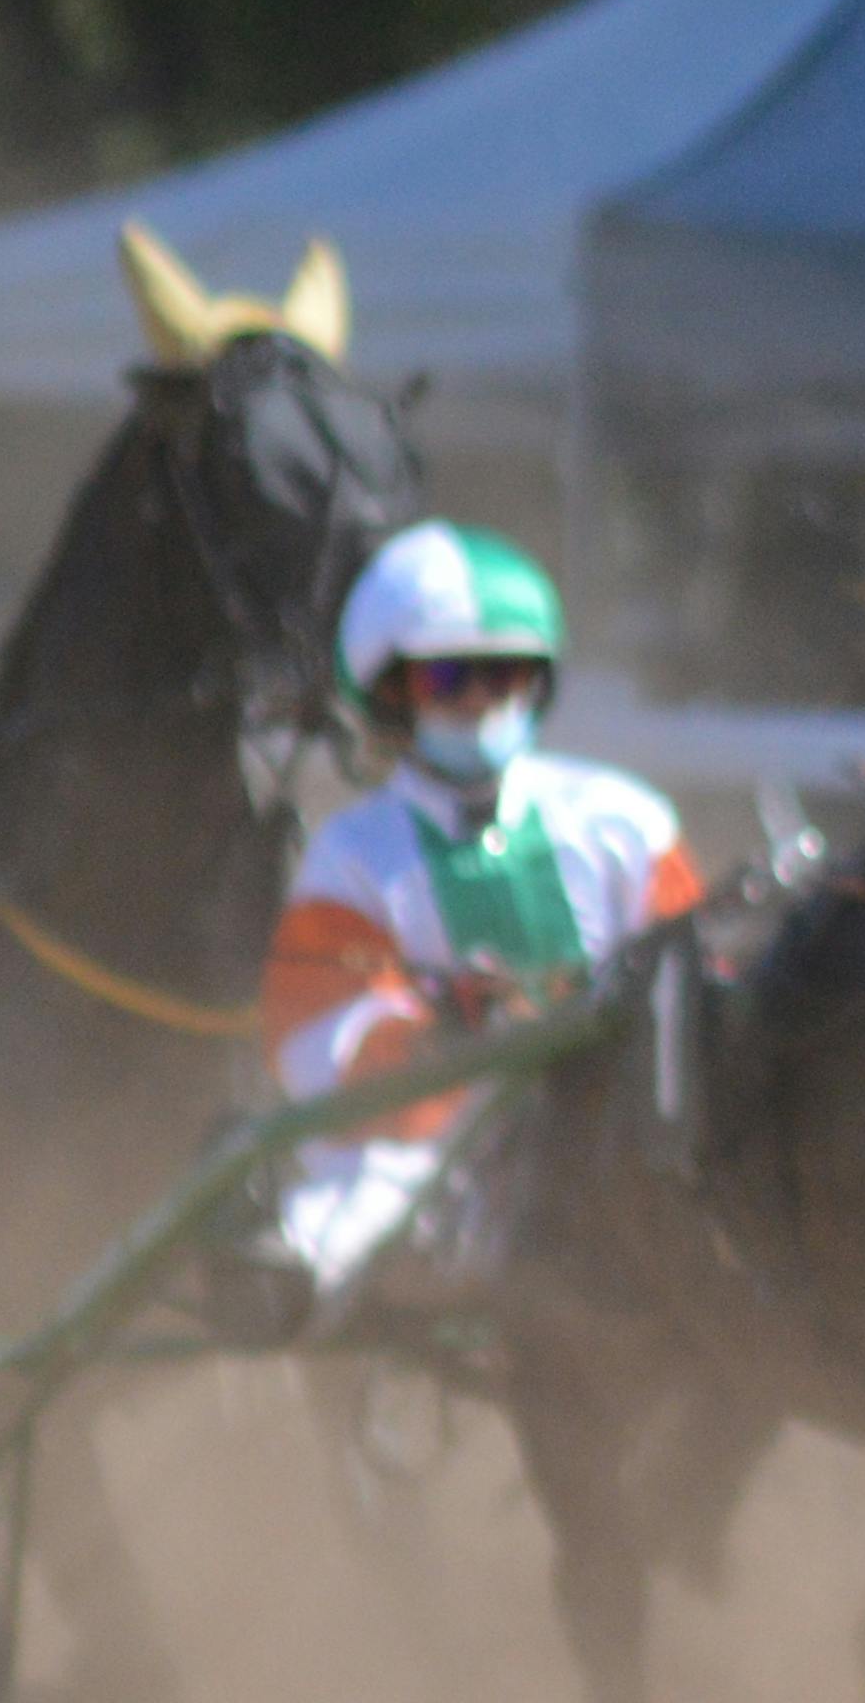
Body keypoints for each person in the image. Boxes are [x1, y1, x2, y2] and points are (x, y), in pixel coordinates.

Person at [257, 522, 699, 1309]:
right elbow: (319, 1038)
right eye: (450, 676)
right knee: (344, 1232)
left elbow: (702, 988)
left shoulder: (626, 822)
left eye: (508, 674)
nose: (482, 698)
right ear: (392, 691)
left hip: (610, 1130)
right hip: (430, 1147)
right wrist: (446, 1025)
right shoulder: (354, 854)